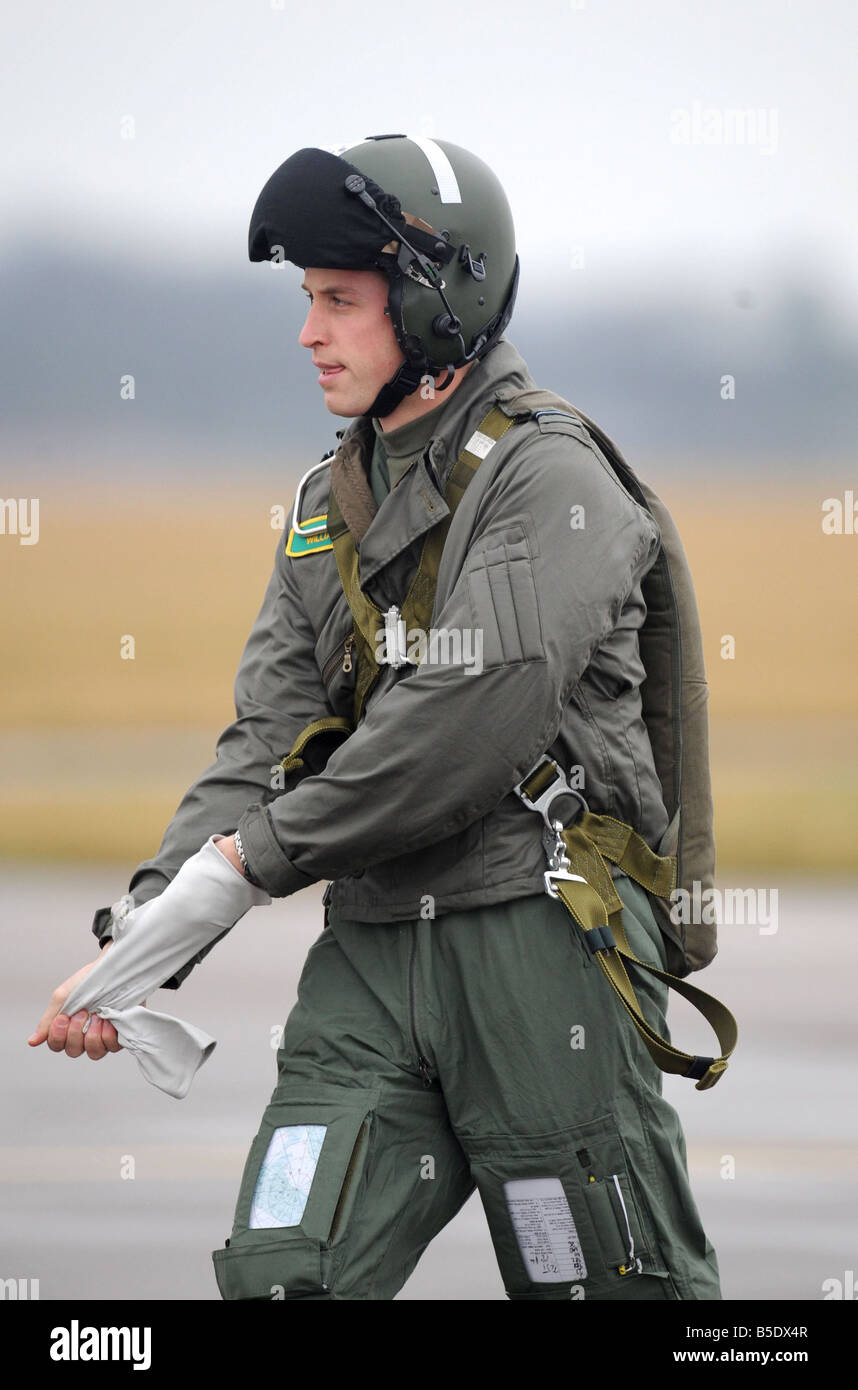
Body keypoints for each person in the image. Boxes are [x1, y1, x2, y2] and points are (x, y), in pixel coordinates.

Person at [30, 133, 723, 1301]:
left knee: (607, 1287)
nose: (309, 332)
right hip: (374, 941)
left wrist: (246, 866)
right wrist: (147, 930)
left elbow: (472, 714)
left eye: (340, 301)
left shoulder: (551, 479)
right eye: (308, 299)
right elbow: (269, 736)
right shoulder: (326, 502)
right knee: (284, 1275)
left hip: (537, 941)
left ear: (435, 301)